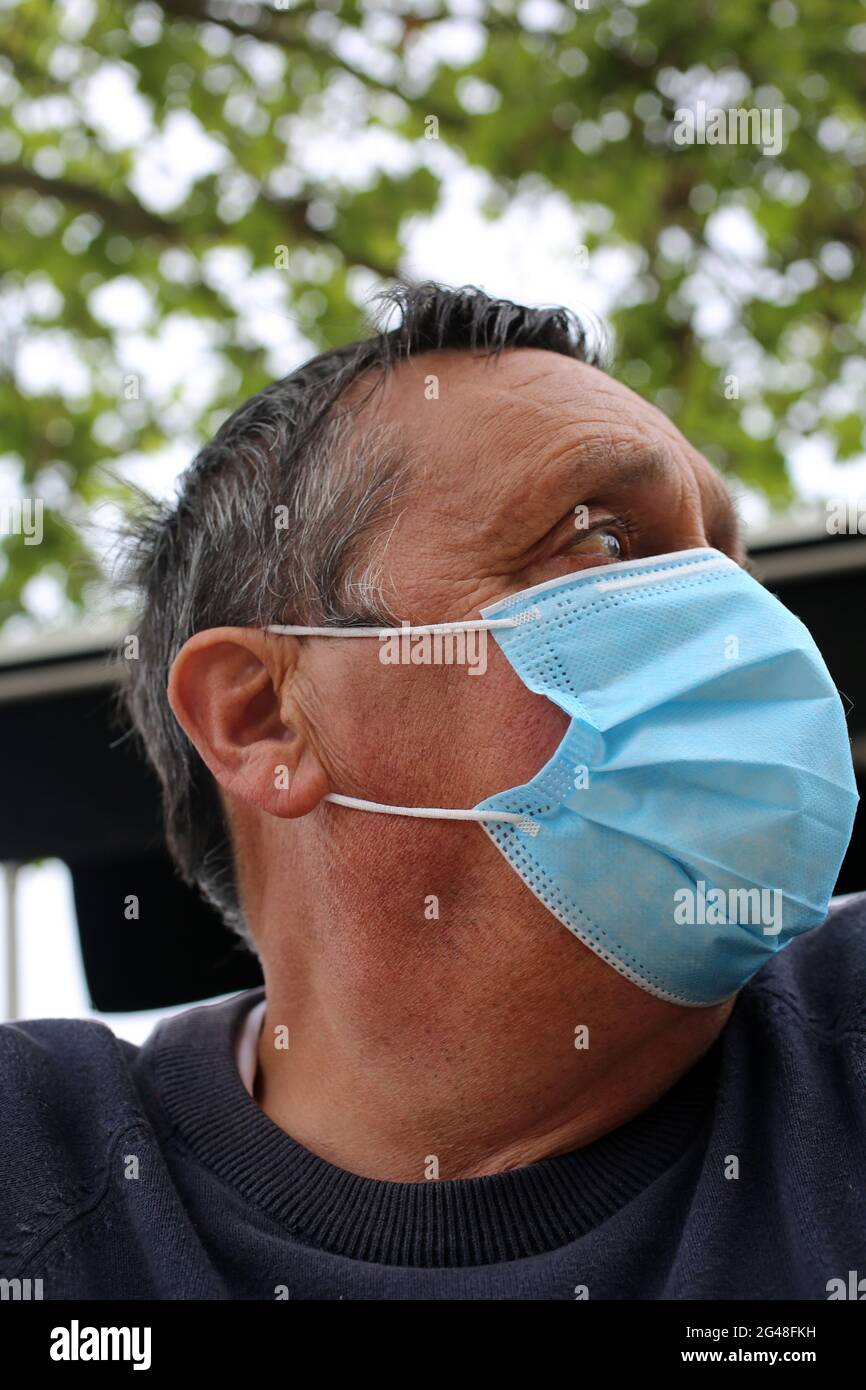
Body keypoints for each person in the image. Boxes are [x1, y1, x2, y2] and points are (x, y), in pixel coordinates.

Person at [1, 282, 864, 1300]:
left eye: (726, 564)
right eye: (601, 542)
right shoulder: (36, 1158)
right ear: (263, 718)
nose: (737, 626)